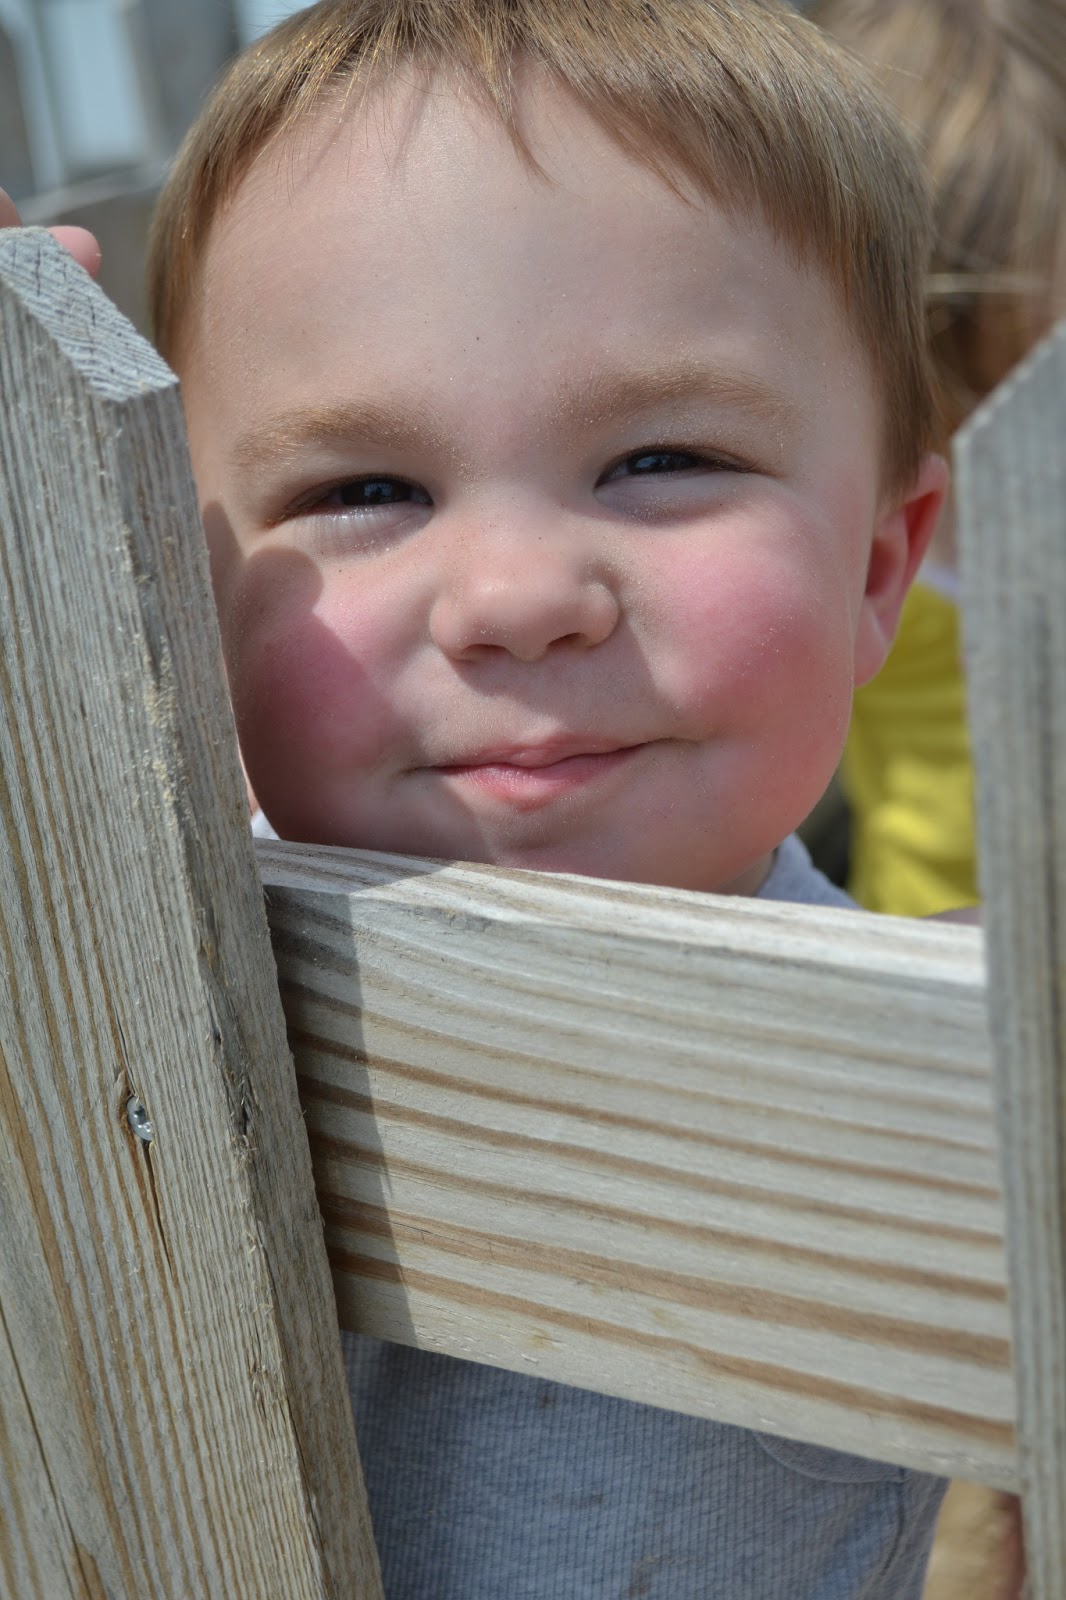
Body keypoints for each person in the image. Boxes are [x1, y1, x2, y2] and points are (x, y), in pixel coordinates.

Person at [3, 0, 963, 1592]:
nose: (517, 597)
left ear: (877, 566)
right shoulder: (101, 969)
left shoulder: (949, 1080)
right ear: (176, 580)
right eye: (364, 490)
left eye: (661, 457)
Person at [810, 0, 1066, 919]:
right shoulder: (842, 518)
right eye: (951, 386)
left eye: (1039, 375)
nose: (993, 428)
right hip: (915, 944)